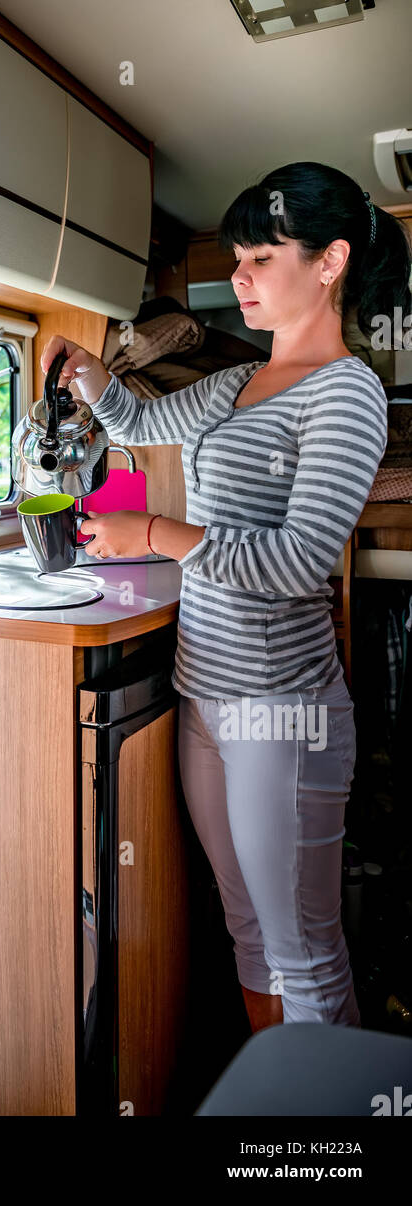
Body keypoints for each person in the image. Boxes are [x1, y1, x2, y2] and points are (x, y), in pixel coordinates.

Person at [41, 161, 412, 1032]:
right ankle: (274, 1099)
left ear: (328, 263)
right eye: (235, 257)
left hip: (280, 712)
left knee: (305, 953)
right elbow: (135, 424)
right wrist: (93, 375)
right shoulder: (236, 383)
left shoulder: (347, 391)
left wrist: (155, 535)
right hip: (205, 695)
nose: (236, 275)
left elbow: (295, 563)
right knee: (246, 929)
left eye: (259, 257)